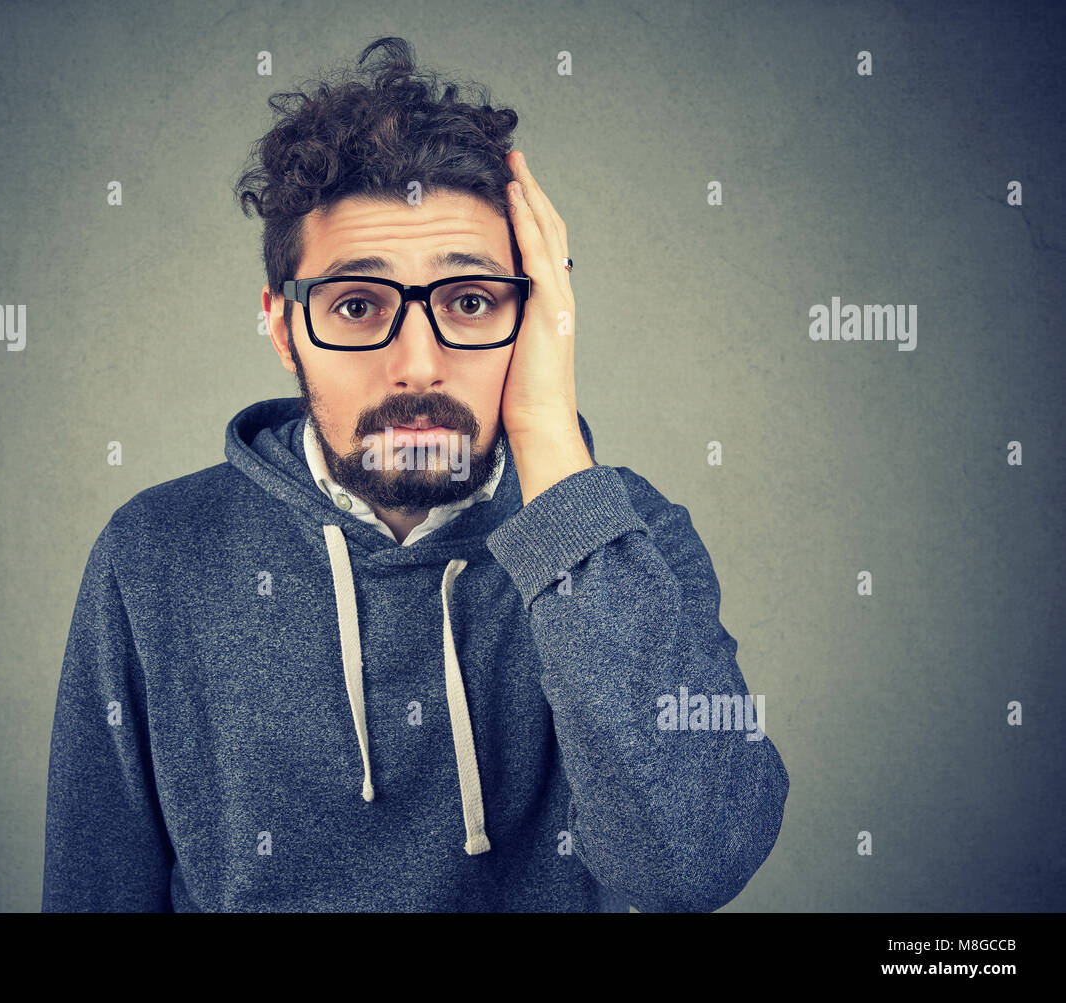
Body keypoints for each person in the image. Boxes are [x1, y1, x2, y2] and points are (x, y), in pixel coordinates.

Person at [41, 36, 789, 913]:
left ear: (536, 316)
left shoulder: (632, 536)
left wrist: (547, 432)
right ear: (284, 328)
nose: (419, 364)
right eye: (358, 306)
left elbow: (693, 865)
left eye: (470, 302)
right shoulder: (156, 554)